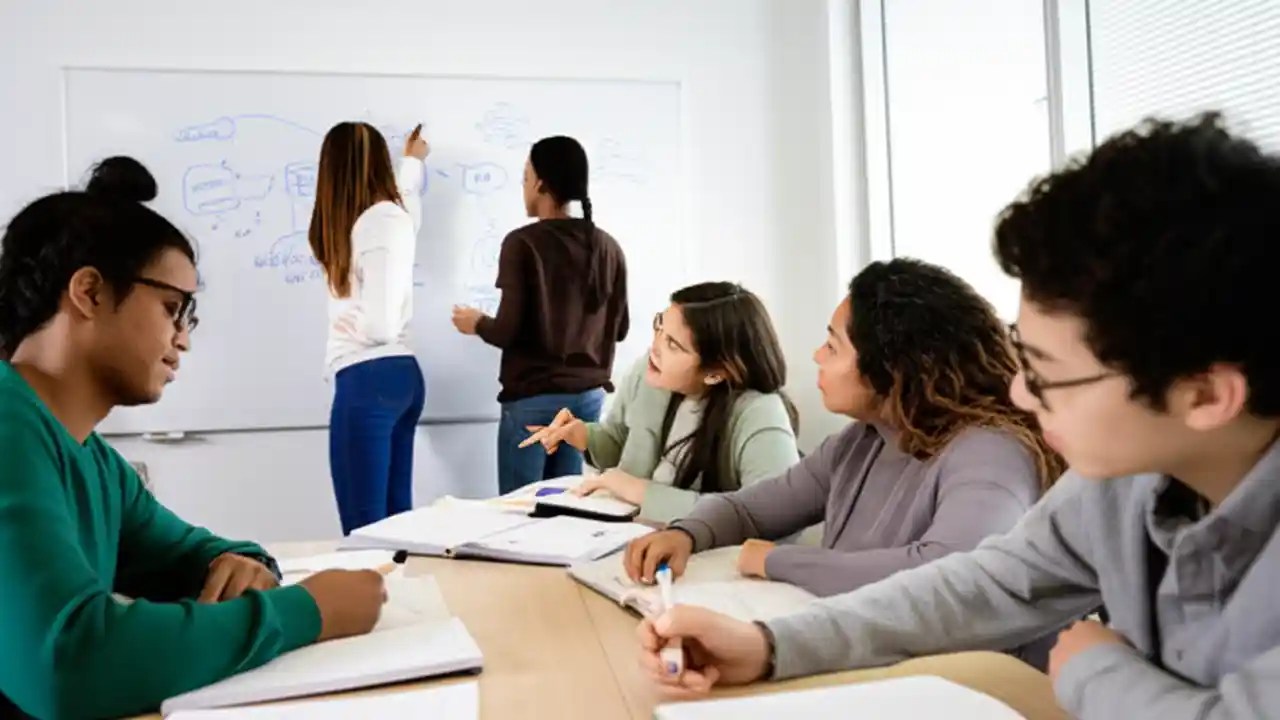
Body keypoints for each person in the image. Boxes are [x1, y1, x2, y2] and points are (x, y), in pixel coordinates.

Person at [636, 114, 1280, 719]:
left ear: (1204, 396)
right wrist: (769, 645)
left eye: (1050, 374)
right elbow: (985, 583)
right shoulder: (1122, 482)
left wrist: (1096, 671)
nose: (1023, 395)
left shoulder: (1011, 452)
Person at [0, 172, 385, 718]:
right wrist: (311, 610)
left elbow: (197, 553)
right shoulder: (8, 425)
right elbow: (68, 661)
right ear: (89, 292)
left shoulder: (93, 459)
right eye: (173, 307)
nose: (183, 337)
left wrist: (245, 565)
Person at [624, 259, 1062, 595]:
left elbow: (949, 574)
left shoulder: (992, 451)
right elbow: (748, 509)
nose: (817, 356)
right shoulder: (860, 440)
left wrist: (776, 560)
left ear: (893, 370)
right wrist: (687, 532)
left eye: (833, 346)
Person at [524, 282, 801, 523]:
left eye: (673, 345)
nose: (654, 347)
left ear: (715, 373)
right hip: (631, 532)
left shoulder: (760, 412)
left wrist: (641, 492)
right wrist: (582, 434)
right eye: (659, 327)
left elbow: (774, 515)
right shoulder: (648, 373)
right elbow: (619, 441)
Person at [451, 135, 629, 494]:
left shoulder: (522, 243)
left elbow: (507, 331)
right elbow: (620, 328)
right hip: (587, 401)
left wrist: (476, 323)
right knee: (567, 511)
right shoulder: (607, 246)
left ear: (542, 184)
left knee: (520, 513)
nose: (524, 186)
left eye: (525, 177)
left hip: (532, 399)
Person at [310, 122, 429, 534]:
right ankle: (397, 600)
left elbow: (379, 326)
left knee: (364, 534)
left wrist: (353, 319)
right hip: (396, 377)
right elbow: (408, 200)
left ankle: (378, 600)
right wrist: (411, 163)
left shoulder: (377, 222)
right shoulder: (388, 217)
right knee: (394, 529)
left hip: (369, 378)